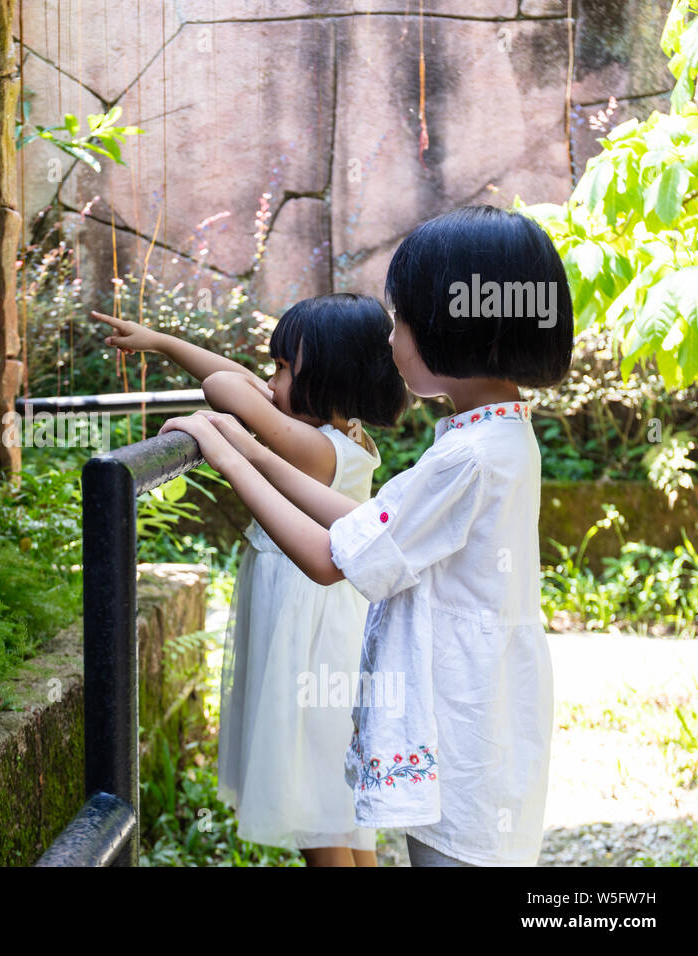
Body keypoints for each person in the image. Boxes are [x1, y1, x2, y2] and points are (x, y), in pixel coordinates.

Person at [160, 205, 574, 866]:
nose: (391, 341)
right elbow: (366, 524)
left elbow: (331, 559)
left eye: (401, 321)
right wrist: (247, 449)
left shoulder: (469, 457)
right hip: (467, 725)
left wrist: (232, 456)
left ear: (455, 328)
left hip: (460, 743)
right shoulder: (491, 435)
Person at [93, 294, 407, 866]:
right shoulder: (341, 435)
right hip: (320, 623)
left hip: (310, 637)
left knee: (316, 795)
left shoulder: (315, 450)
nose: (268, 379)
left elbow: (225, 389)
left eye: (283, 367)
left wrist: (247, 387)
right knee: (337, 805)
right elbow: (242, 384)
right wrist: (162, 342)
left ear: (327, 378)